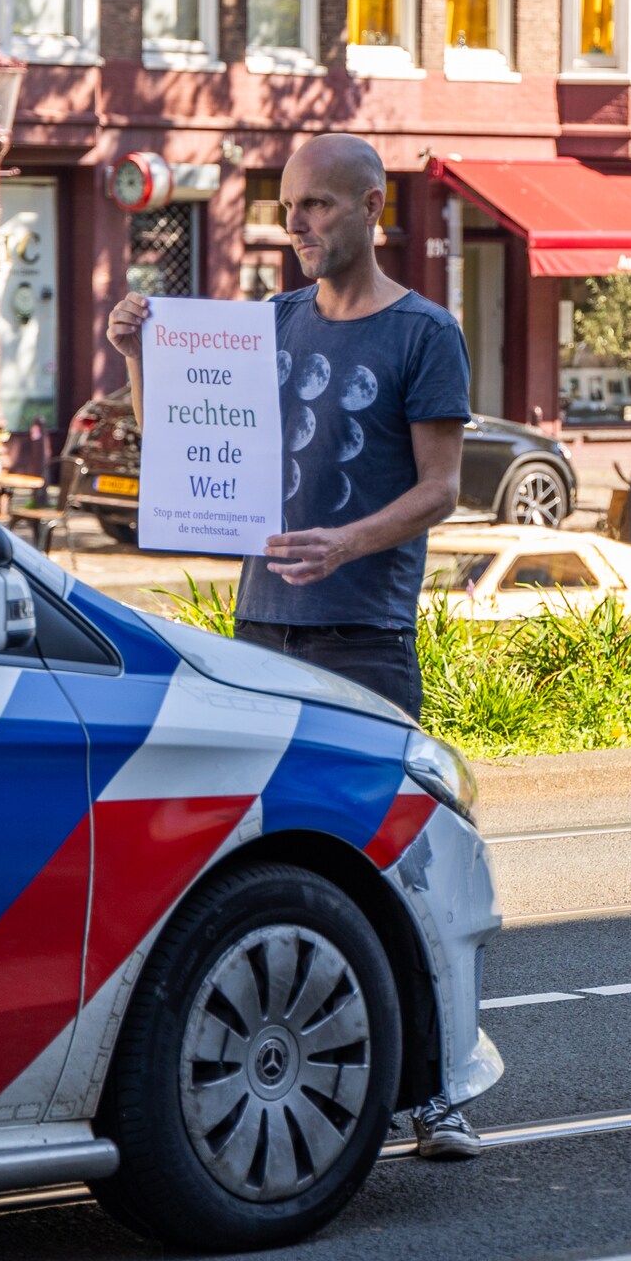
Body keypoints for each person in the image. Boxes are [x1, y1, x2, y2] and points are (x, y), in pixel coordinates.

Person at [105, 132, 485, 1160]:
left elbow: (442, 488)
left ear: (371, 208)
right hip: (258, 635)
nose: (299, 226)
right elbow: (184, 448)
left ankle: (438, 1088)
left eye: (318, 206)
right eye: (289, 208)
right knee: (256, 857)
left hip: (362, 638)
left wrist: (346, 543)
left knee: (395, 868)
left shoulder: (423, 333)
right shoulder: (265, 326)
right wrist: (141, 356)